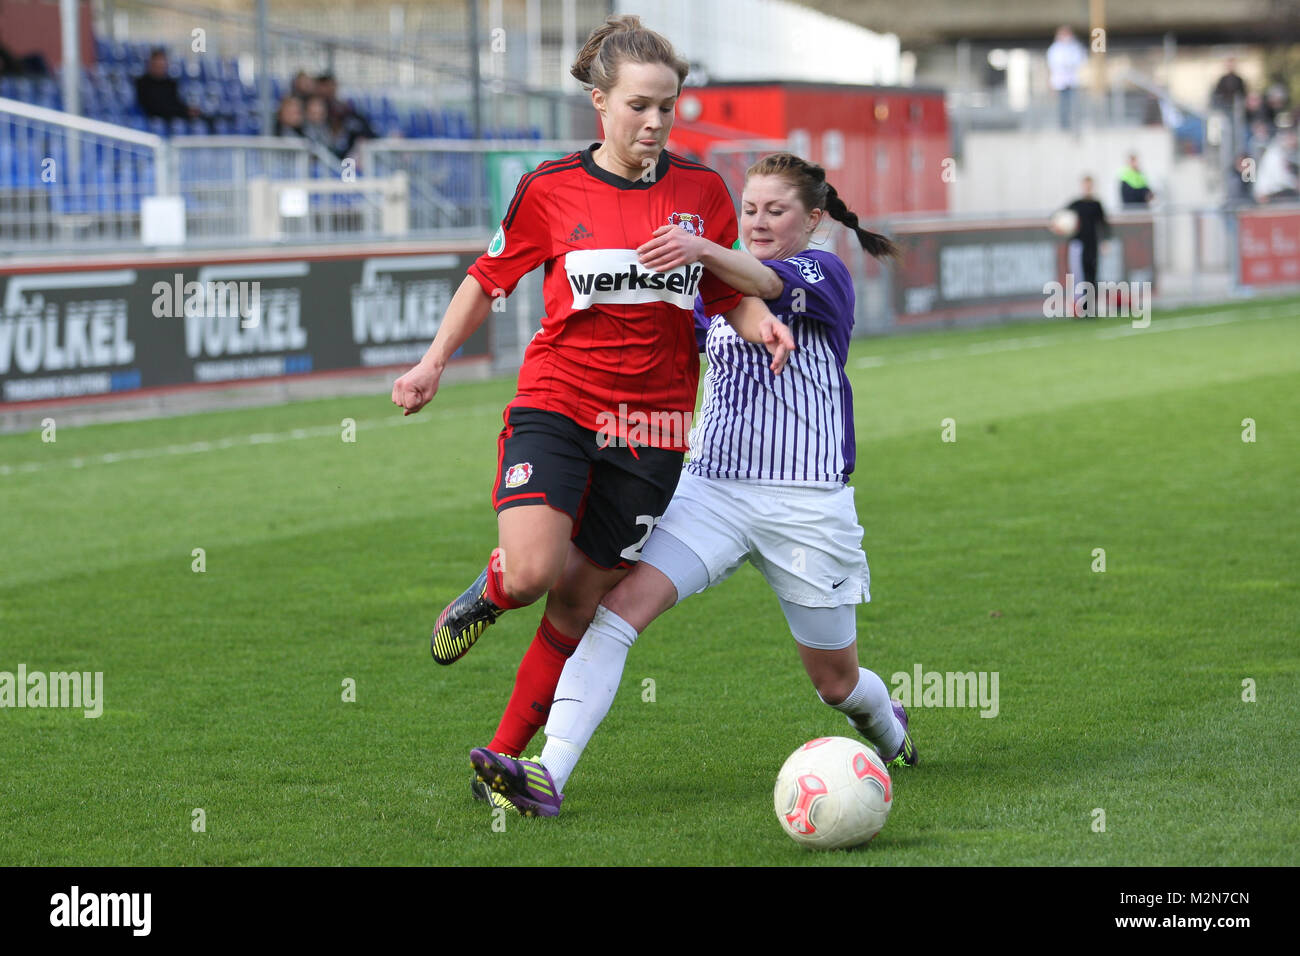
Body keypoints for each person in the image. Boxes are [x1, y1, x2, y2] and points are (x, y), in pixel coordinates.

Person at [390, 15, 796, 797]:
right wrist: (433, 361)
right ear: (600, 104)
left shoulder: (701, 192)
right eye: (640, 106)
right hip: (561, 403)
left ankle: (504, 758)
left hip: (655, 427)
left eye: (668, 107)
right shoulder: (551, 189)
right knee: (537, 572)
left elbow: (721, 293)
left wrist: (761, 323)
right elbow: (489, 276)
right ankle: (493, 589)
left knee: (581, 598)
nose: (655, 123)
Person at [467, 152, 915, 817]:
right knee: (614, 614)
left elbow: (760, 279)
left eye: (777, 210)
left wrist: (699, 245)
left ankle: (888, 728)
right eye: (752, 209)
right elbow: (667, 324)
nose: (759, 222)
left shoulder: (824, 272)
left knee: (836, 681)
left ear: (814, 218)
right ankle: (545, 774)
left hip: (805, 505)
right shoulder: (714, 284)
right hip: (710, 492)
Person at [1063, 175, 1111, 318]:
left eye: (1089, 185)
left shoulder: (1096, 204)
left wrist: (1105, 242)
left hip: (1093, 245)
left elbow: (1104, 224)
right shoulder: (1076, 204)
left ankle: (1090, 309)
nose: (1087, 187)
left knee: (1092, 276)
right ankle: (1079, 309)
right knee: (1080, 278)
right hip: (1079, 245)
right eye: (1085, 184)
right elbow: (1061, 217)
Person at [135, 48, 203, 125]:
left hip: (176, 115)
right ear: (151, 64)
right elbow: (152, 107)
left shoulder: (170, 83)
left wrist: (188, 110)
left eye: (162, 64)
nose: (160, 67)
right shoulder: (142, 83)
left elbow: (176, 102)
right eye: (157, 65)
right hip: (158, 119)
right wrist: (183, 112)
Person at [1046, 26, 1086, 132]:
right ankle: (1064, 126)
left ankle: (1076, 125)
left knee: (1075, 104)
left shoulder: (1075, 47)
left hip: (1072, 81)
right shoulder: (1054, 49)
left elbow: (1080, 60)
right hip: (1059, 82)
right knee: (1063, 105)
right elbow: (1052, 66)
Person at [1254, 128, 1299, 203]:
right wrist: (1295, 183)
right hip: (1269, 196)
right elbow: (1279, 177)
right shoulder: (1274, 154)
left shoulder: (1281, 153)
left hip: (1275, 194)